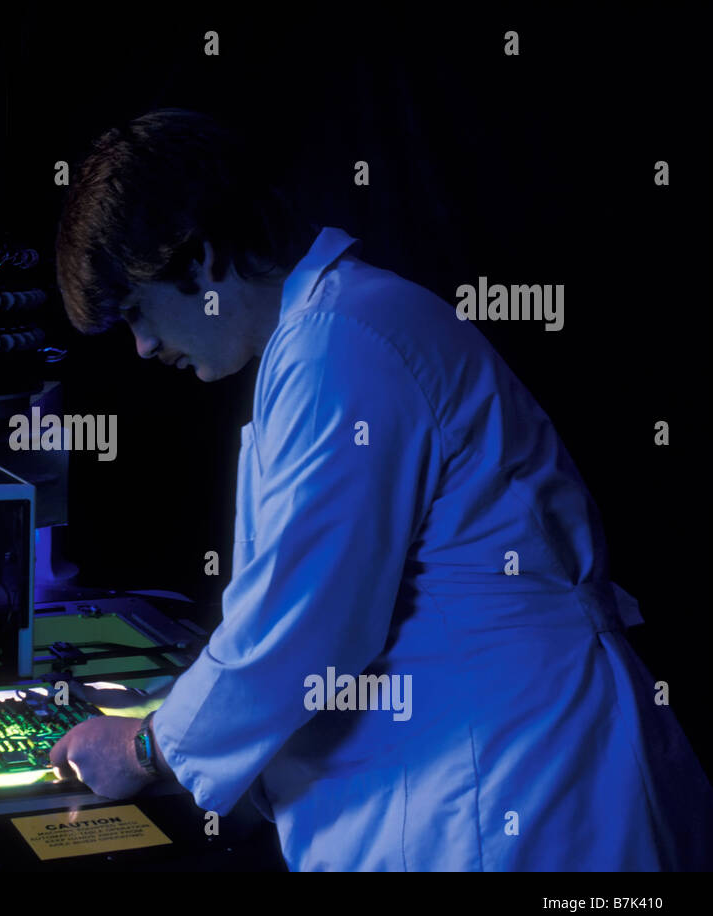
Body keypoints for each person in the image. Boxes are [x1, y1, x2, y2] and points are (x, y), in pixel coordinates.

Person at [48, 108, 713, 870]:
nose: (142, 348)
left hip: (530, 796)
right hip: (509, 777)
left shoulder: (341, 344)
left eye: (136, 312)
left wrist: (141, 746)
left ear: (199, 260)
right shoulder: (336, 329)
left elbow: (303, 626)